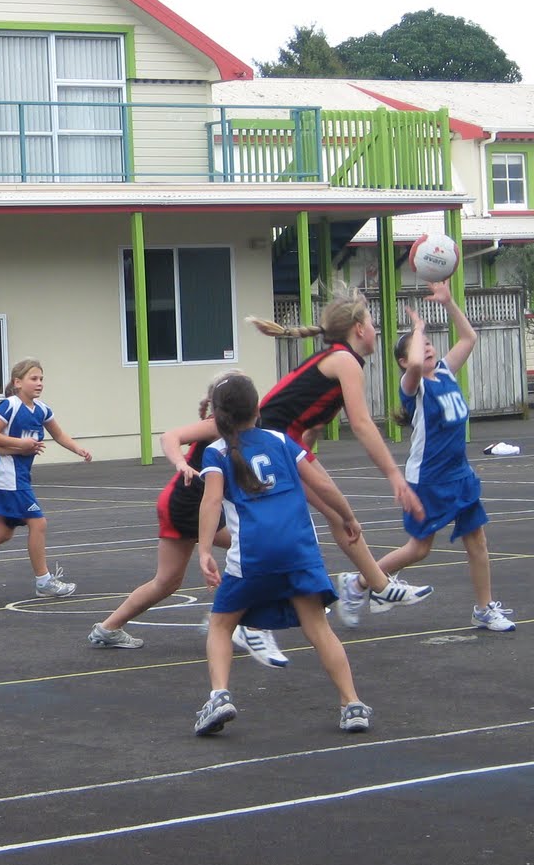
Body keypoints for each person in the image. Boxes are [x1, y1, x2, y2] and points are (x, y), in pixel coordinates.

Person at [192, 373, 373, 736]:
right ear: (257, 408)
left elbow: (211, 501)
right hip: (297, 551)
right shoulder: (279, 440)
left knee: (222, 624)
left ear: (218, 415)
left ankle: (220, 695)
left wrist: (205, 549)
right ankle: (351, 703)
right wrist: (347, 515)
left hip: (253, 556)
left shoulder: (216, 452)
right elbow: (320, 482)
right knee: (318, 628)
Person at [248, 282, 433, 626]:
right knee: (300, 528)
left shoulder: (336, 361)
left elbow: (312, 425)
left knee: (333, 516)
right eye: (372, 323)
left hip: (277, 442)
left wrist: (308, 466)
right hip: (271, 443)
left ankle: (376, 585)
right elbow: (361, 424)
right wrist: (394, 476)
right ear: (359, 329)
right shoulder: (345, 361)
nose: (375, 329)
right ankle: (244, 615)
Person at [93, 373, 287, 668]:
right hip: (185, 505)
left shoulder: (245, 427)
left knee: (169, 581)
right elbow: (170, 436)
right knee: (252, 551)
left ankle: (108, 628)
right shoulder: (215, 425)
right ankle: (235, 619)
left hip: (199, 507)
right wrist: (181, 462)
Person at [375, 284, 513, 632]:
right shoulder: (413, 385)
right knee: (419, 549)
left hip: (459, 475)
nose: (426, 347)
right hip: (428, 480)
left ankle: (483, 609)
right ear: (404, 361)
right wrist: (417, 328)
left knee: (477, 541)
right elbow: (416, 364)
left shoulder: (446, 372)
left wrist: (449, 303)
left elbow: (469, 338)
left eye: (428, 342)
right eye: (418, 346)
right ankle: (365, 581)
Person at [0, 357, 90, 598]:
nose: (39, 383)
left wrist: (78, 449)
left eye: (41, 379)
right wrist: (21, 443)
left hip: (20, 476)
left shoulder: (42, 409)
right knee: (38, 523)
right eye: (33, 378)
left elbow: (59, 435)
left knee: (3, 532)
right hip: (8, 476)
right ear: (18, 382)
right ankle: (43, 581)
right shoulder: (10, 405)